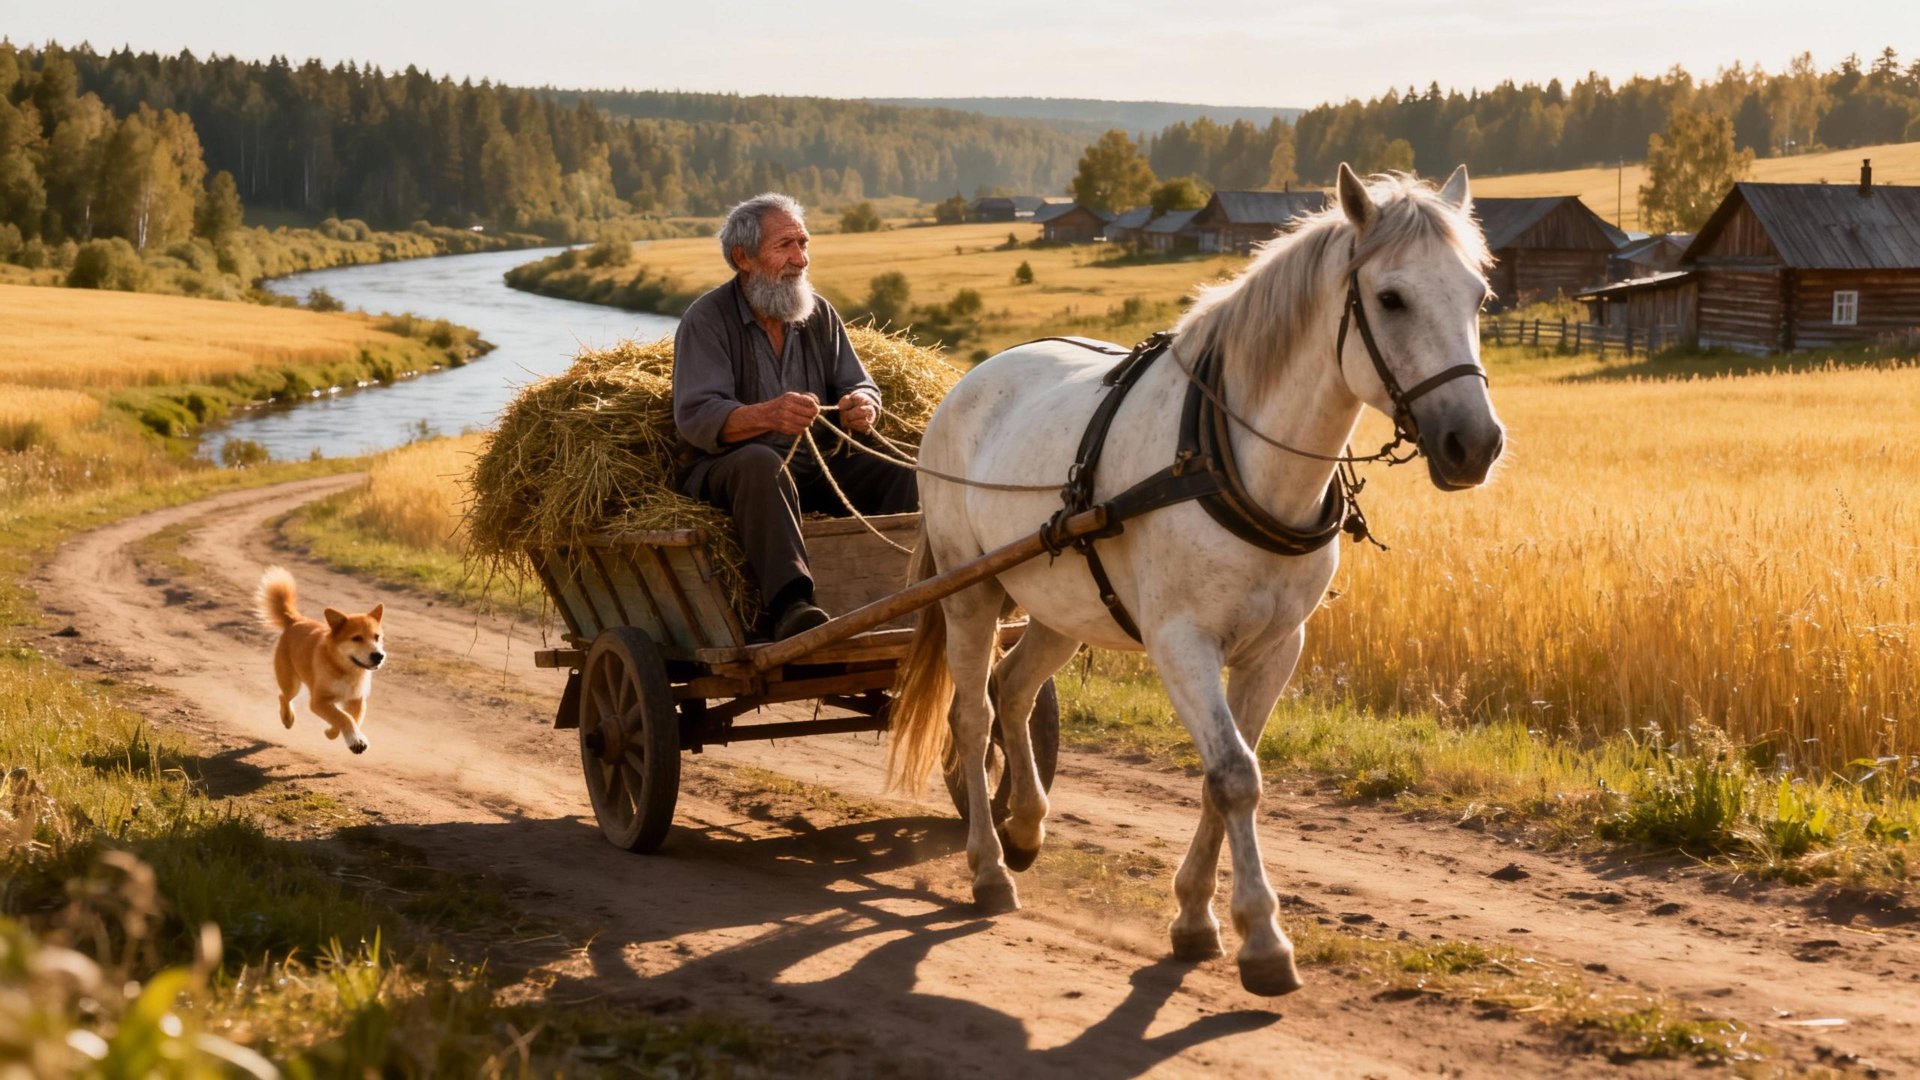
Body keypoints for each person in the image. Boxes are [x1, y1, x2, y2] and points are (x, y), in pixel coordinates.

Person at [672, 193, 917, 640]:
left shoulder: (818, 314)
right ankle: (792, 607)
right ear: (742, 258)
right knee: (761, 464)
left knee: (900, 467)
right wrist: (767, 415)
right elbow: (696, 416)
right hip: (731, 474)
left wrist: (863, 405)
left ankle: (903, 589)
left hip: (812, 463)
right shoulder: (706, 320)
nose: (800, 259)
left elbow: (859, 383)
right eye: (785, 246)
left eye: (803, 244)